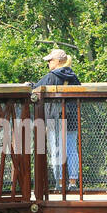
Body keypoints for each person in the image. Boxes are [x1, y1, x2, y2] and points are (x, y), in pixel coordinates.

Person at [33, 49, 82, 190]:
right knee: (72, 149)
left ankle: (60, 183)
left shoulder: (51, 77)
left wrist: (28, 85)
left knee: (56, 150)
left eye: (50, 60)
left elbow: (35, 89)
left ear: (59, 61)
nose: (48, 63)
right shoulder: (73, 77)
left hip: (55, 118)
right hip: (72, 117)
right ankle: (73, 183)